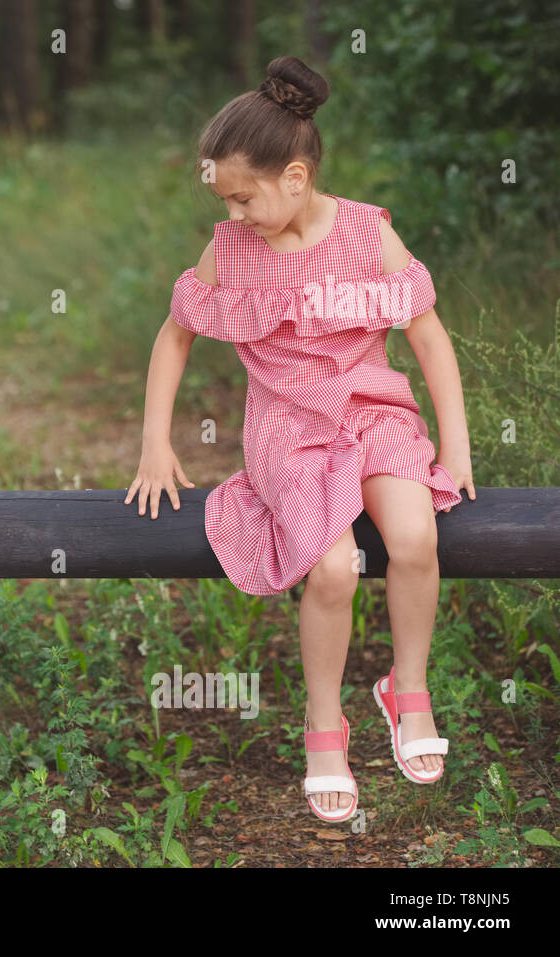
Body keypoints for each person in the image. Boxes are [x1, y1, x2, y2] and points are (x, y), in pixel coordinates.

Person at [126, 57, 477, 823]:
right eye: (225, 199)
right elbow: (175, 335)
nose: (237, 212)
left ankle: (406, 688)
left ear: (294, 175)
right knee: (332, 565)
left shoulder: (367, 234)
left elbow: (428, 336)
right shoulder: (231, 249)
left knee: (416, 537)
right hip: (288, 425)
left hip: (375, 412)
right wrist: (155, 440)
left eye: (245, 196)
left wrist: (457, 441)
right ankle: (325, 724)